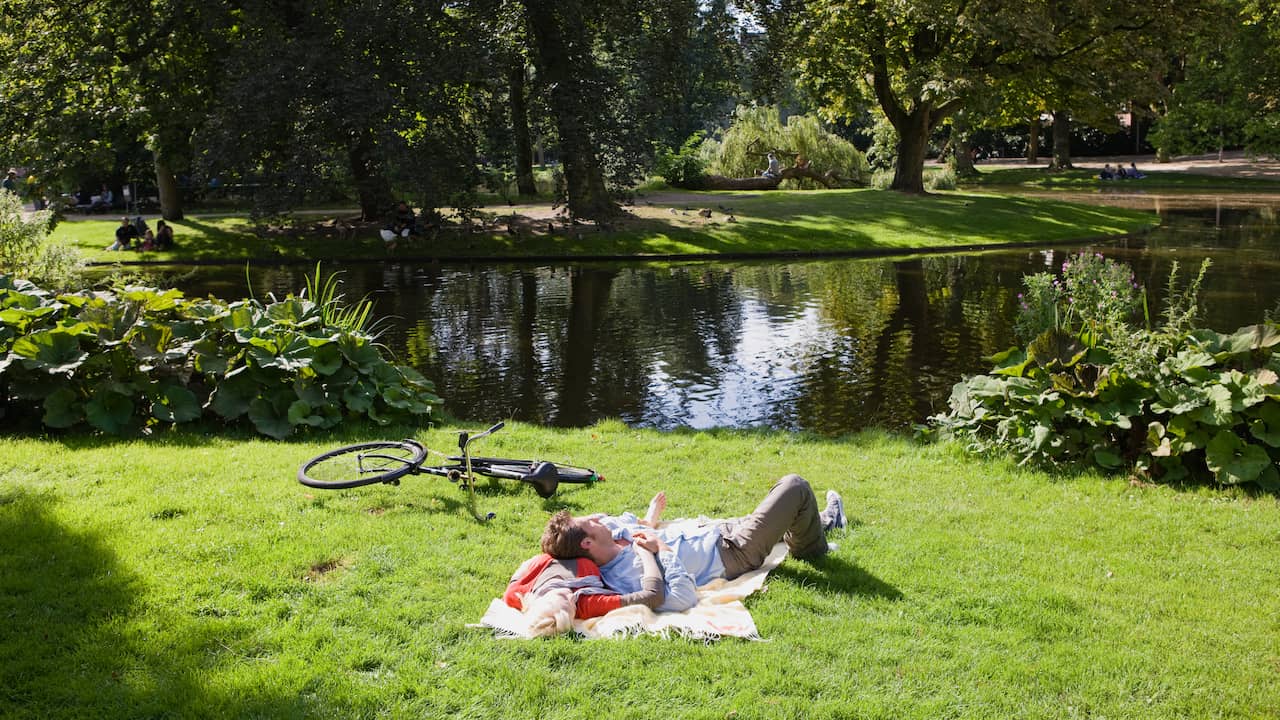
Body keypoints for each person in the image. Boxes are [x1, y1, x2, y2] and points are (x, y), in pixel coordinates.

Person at [540, 475, 846, 612]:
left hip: (716, 531)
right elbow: (681, 599)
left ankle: (826, 522)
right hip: (734, 553)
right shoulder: (625, 575)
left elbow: (638, 525)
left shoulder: (614, 532)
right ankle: (812, 549)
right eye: (589, 521)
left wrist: (651, 517)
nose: (597, 517)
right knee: (794, 486)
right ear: (588, 543)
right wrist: (663, 551)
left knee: (782, 513)